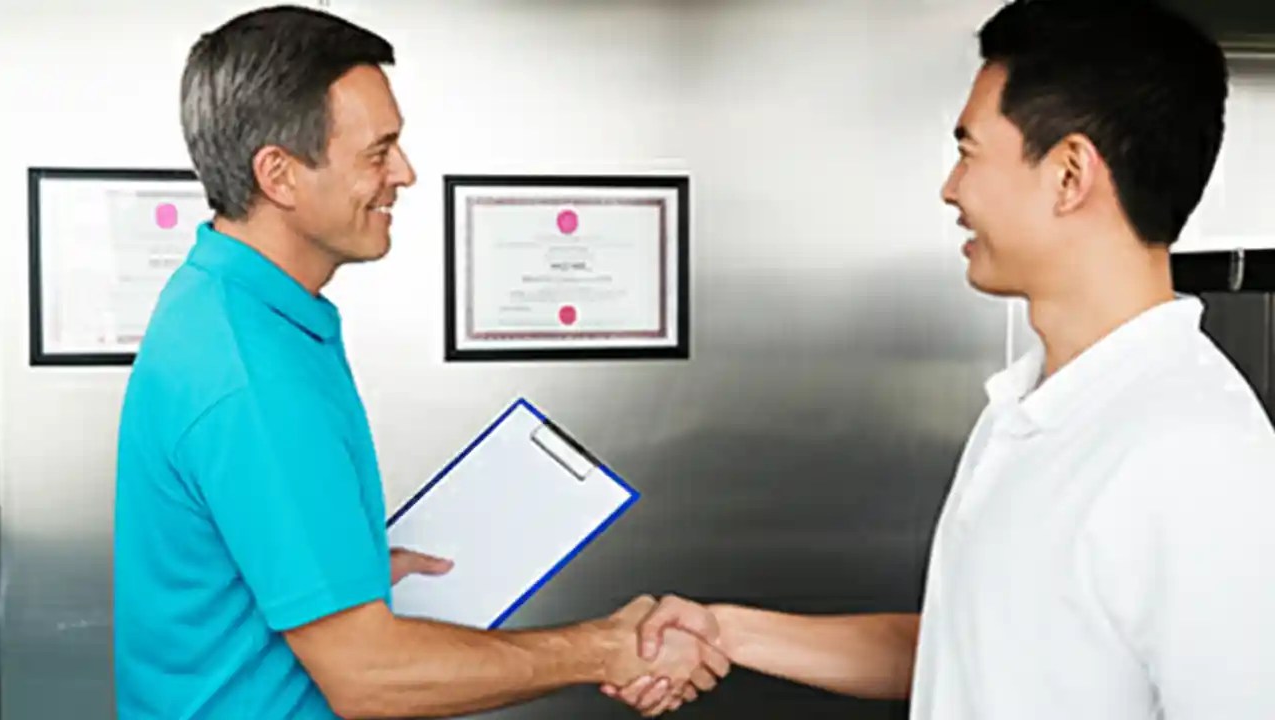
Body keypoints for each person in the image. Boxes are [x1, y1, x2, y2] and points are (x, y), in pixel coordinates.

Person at [607, 0, 1275, 717]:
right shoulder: (1030, 410)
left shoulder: (1198, 453)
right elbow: (976, 646)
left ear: (1069, 174)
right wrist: (728, 633)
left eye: (969, 150)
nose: (950, 189)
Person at [113, 5, 726, 719]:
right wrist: (604, 648)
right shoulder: (250, 371)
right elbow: (370, 677)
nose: (403, 173)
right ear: (279, 175)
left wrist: (353, 564)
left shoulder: (231, 307)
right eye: (378, 151)